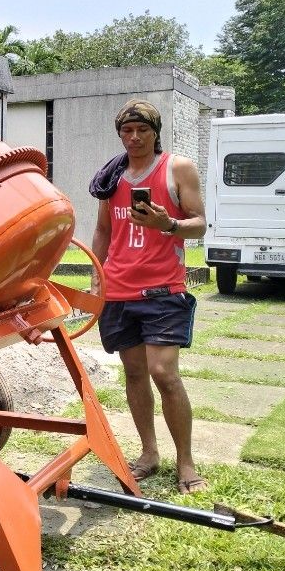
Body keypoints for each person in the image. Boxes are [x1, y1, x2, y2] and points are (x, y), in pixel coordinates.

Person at [89, 99, 207, 494]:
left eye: (143, 130)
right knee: (135, 372)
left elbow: (200, 224)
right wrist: (96, 276)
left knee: (164, 373)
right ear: (120, 134)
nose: (135, 137)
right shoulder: (111, 176)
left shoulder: (178, 168)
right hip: (119, 290)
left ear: (155, 133)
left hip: (163, 290)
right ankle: (149, 452)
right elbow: (103, 230)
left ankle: (186, 463)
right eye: (127, 131)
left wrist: (167, 223)